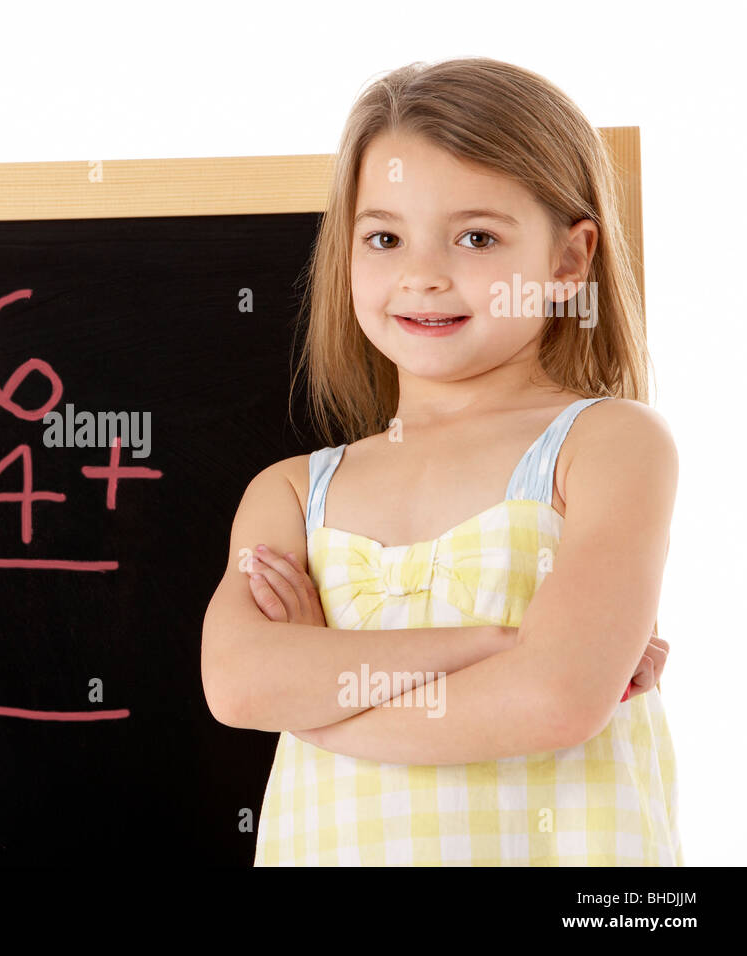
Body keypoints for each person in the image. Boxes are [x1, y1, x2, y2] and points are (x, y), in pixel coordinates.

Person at [200, 57, 680, 866]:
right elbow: (240, 686)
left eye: (477, 237)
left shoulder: (608, 444)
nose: (422, 274)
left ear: (568, 261)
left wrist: (318, 701)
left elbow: (553, 699)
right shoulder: (291, 491)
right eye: (384, 237)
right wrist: (496, 643)